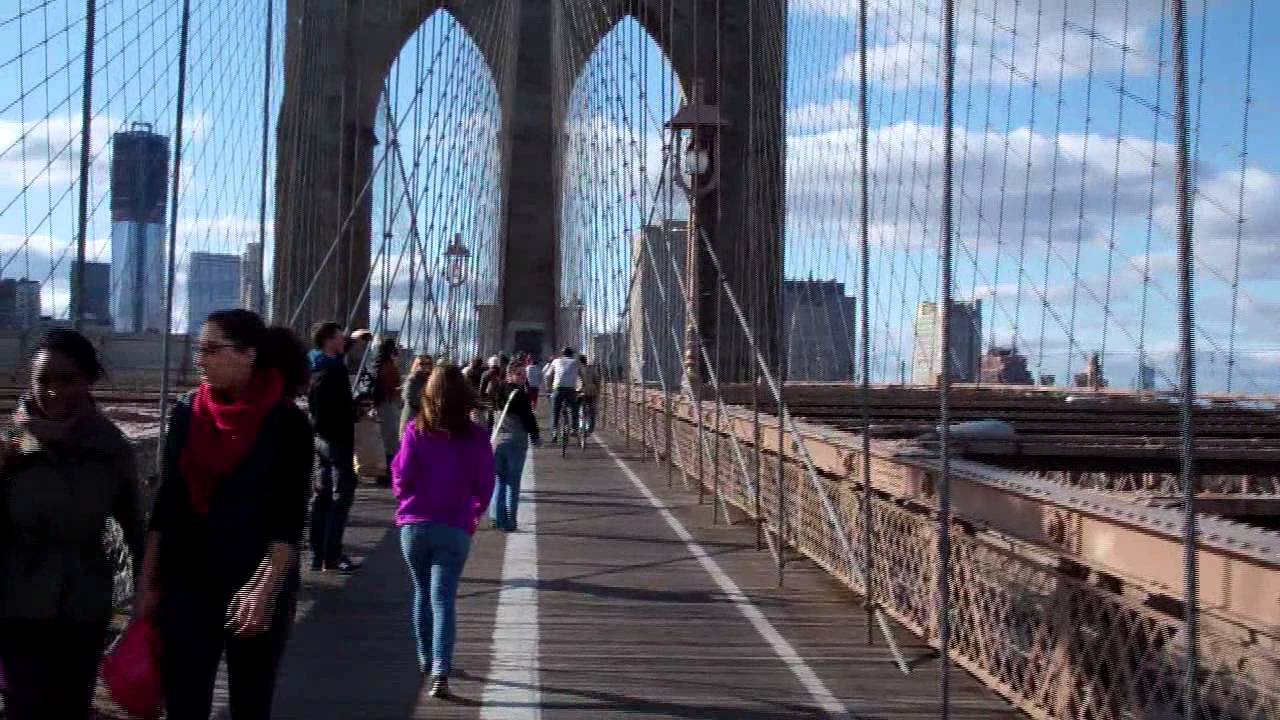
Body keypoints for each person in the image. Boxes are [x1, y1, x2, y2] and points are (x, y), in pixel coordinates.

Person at [134, 309, 312, 718]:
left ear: (249, 354)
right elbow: (167, 504)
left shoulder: (287, 423)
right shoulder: (186, 413)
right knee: (184, 704)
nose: (200, 360)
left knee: (249, 704)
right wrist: (147, 584)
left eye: (212, 350)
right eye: (199, 350)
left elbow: (289, 520)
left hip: (256, 583)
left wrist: (264, 591)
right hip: (189, 582)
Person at [0, 329, 144, 719]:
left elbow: (134, 528)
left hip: (83, 607)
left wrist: (144, 601)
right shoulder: (12, 439)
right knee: (22, 707)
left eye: (67, 379)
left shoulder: (110, 447)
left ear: (88, 381)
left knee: (69, 706)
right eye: (43, 380)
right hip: (17, 604)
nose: (53, 392)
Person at [391, 364, 495, 699]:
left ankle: (425, 659)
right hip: (454, 526)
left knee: (422, 593)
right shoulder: (477, 436)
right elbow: (485, 485)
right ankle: (440, 669)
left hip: (415, 525)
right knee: (444, 600)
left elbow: (402, 477)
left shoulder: (414, 430)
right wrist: (474, 515)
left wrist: (406, 499)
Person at [307, 321, 362, 573]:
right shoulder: (333, 371)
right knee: (341, 496)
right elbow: (333, 408)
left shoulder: (315, 364)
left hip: (320, 439)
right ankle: (333, 555)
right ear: (329, 340)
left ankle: (318, 554)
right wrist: (353, 412)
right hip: (337, 440)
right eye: (340, 337)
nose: (344, 341)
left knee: (322, 496)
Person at [490, 364, 539, 532]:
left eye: (524, 374)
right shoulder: (520, 395)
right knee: (513, 482)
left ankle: (496, 517)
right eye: (519, 374)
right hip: (515, 443)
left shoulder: (496, 391)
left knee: (499, 481)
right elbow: (528, 419)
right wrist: (535, 436)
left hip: (497, 443)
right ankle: (510, 522)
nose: (523, 377)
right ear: (509, 375)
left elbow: (491, 418)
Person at [373, 338, 403, 487]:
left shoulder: (379, 365)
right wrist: (400, 389)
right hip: (388, 404)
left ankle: (383, 473)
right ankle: (387, 474)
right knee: (391, 440)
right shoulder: (389, 367)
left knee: (384, 439)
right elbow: (392, 387)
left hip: (381, 404)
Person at [544, 347, 581, 440]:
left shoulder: (556, 361)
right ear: (572, 354)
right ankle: (574, 428)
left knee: (555, 411)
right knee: (574, 408)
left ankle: (555, 432)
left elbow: (548, 375)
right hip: (571, 389)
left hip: (558, 389)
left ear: (562, 354)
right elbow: (582, 376)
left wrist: (548, 387)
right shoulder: (576, 362)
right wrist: (581, 388)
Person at [400, 354, 434, 436]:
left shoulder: (431, 379)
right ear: (416, 365)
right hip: (412, 415)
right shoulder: (413, 378)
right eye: (422, 363)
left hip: (426, 418)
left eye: (428, 364)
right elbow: (409, 397)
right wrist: (427, 404)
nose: (425, 366)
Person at [577, 354, 600, 436]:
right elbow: (597, 380)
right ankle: (590, 428)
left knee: (577, 409)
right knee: (591, 410)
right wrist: (597, 390)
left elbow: (575, 381)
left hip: (580, 392)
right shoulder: (592, 369)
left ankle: (579, 426)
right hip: (591, 392)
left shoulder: (578, 369)